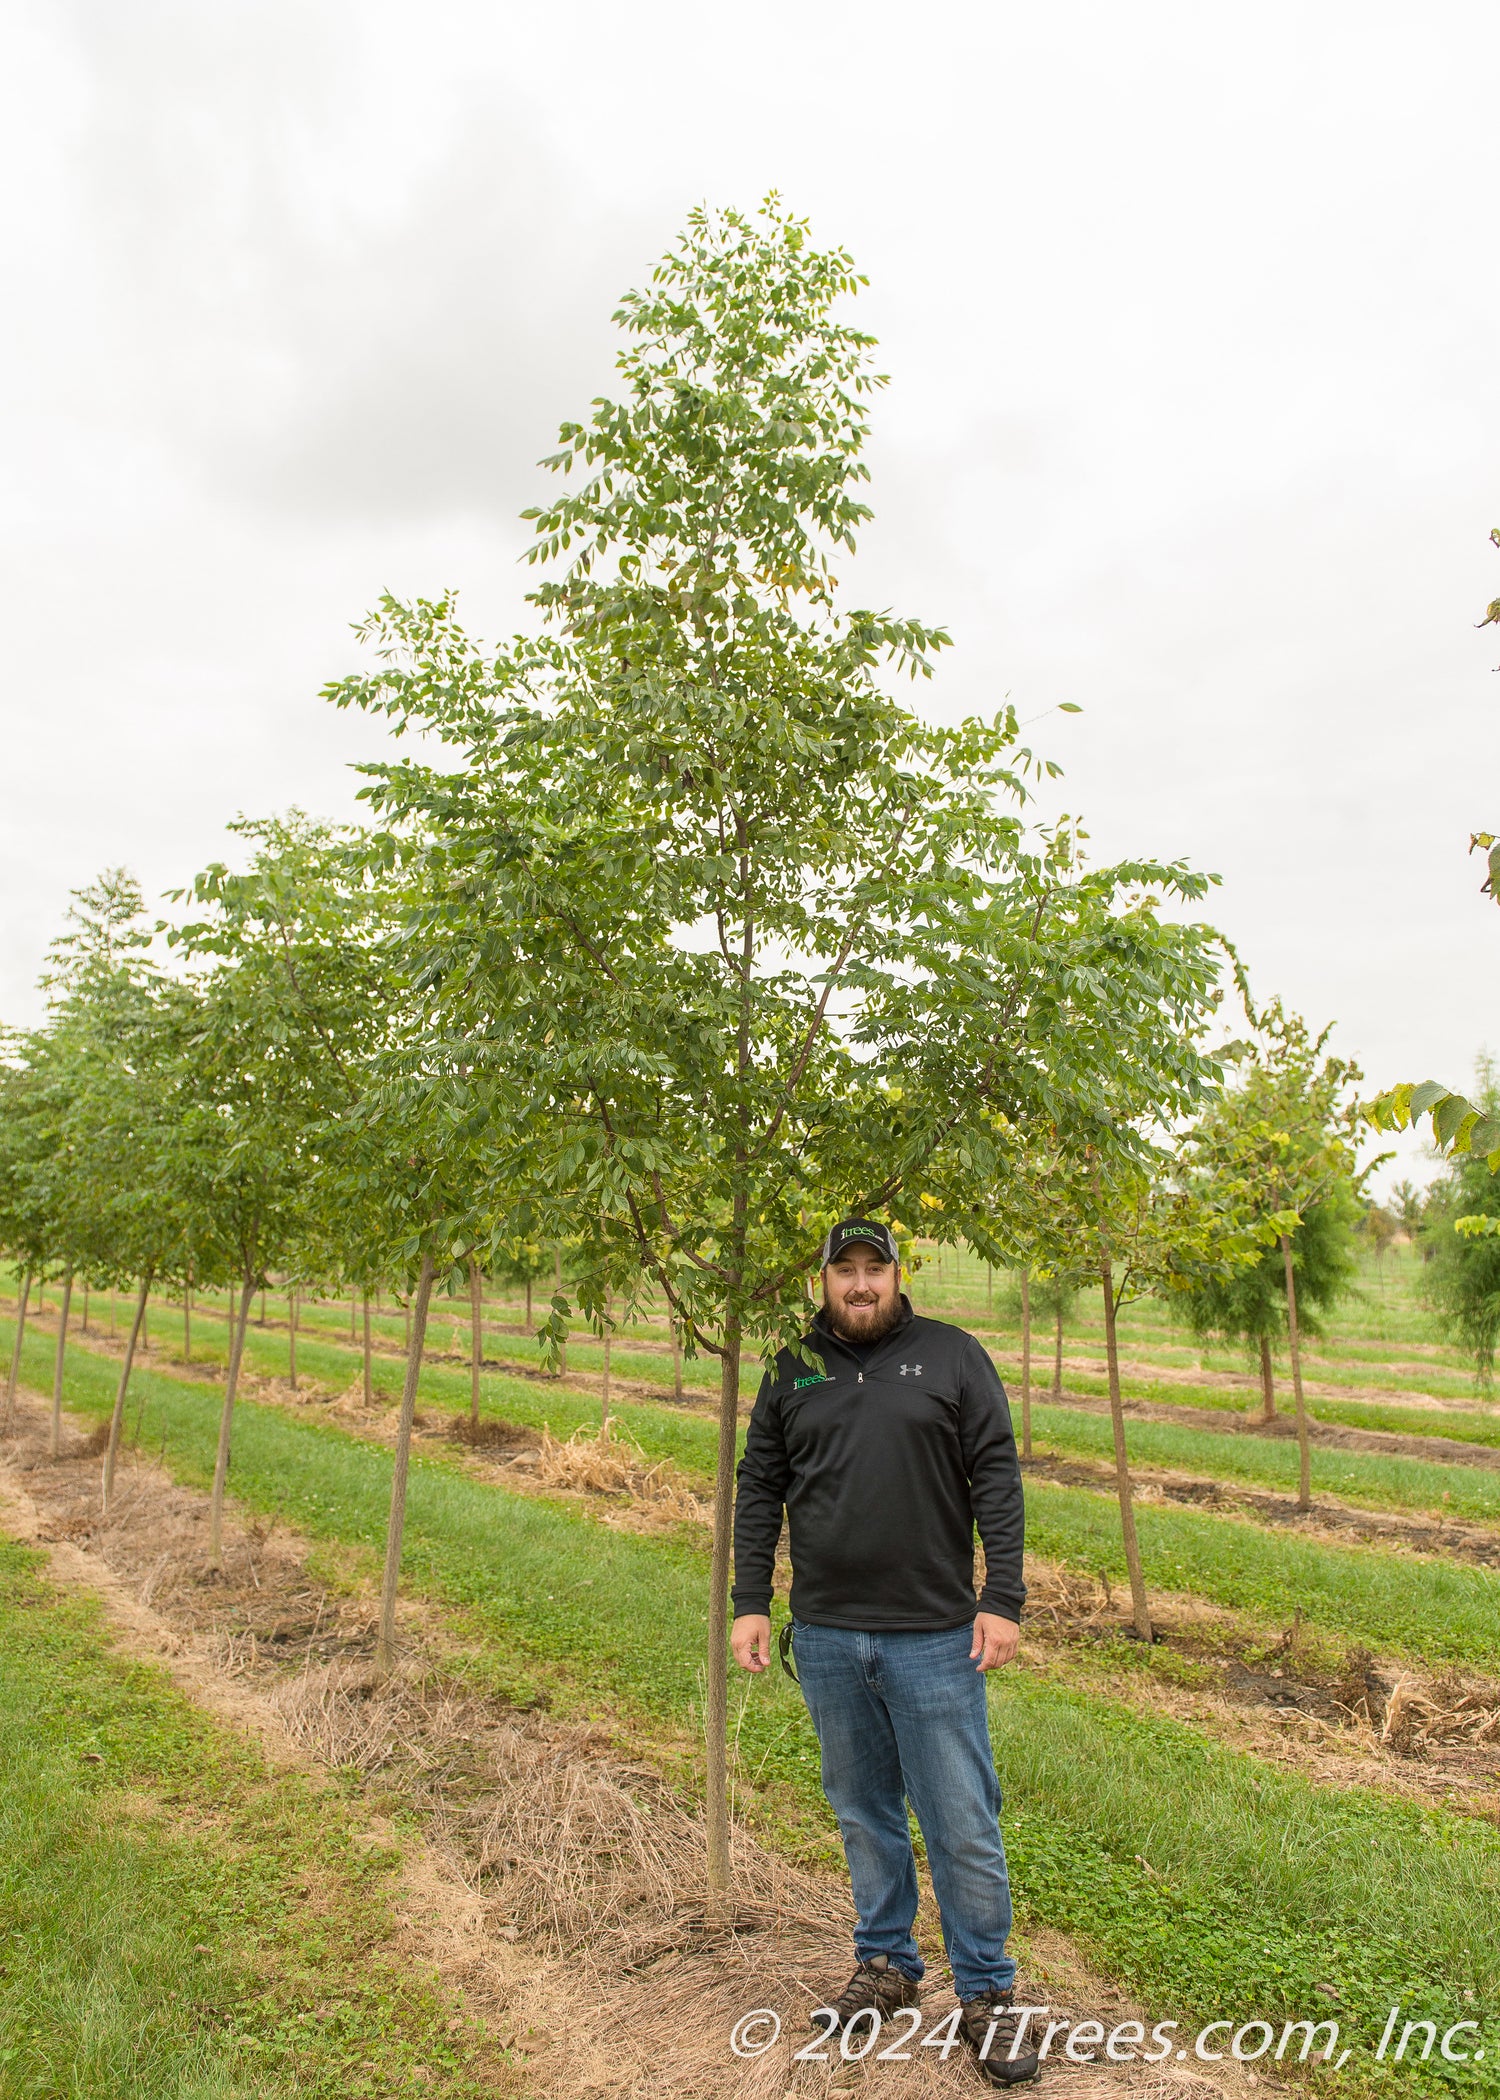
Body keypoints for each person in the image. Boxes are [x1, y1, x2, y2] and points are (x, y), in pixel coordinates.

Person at [730, 1218, 1038, 2086]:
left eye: (875, 1268)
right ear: (821, 1279)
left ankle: (987, 1993)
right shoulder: (791, 1367)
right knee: (863, 1811)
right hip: (827, 1633)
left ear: (899, 1275)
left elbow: (997, 1474)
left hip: (933, 1635)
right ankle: (887, 1965)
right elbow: (760, 1485)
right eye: (845, 1270)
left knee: (960, 1819)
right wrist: (751, 1601)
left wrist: (1003, 1598)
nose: (860, 1283)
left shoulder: (953, 1356)